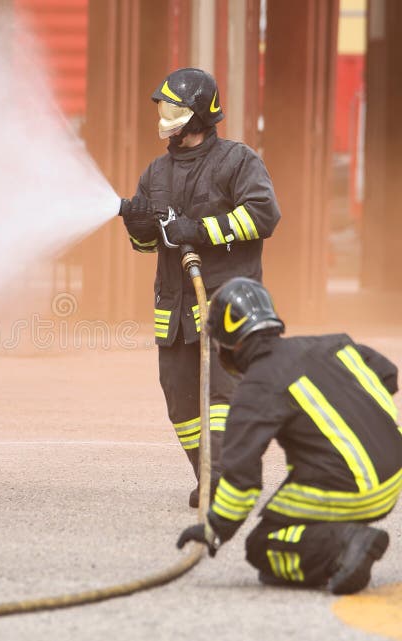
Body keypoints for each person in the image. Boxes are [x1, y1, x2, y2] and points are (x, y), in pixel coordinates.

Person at [177, 277, 402, 594]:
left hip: (359, 488)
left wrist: (214, 530)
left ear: (232, 343)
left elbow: (241, 481)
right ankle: (342, 532)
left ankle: (343, 545)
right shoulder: (331, 344)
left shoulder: (256, 387)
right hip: (394, 470)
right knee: (296, 497)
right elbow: (387, 374)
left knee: (263, 545)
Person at [119, 67, 281, 507]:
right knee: (180, 403)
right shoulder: (156, 172)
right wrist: (138, 226)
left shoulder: (237, 160)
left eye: (172, 107)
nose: (164, 114)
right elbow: (148, 243)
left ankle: (225, 480)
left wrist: (201, 229)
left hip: (223, 306)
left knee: (223, 400)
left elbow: (264, 216)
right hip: (174, 309)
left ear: (196, 114)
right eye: (162, 106)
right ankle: (206, 473)